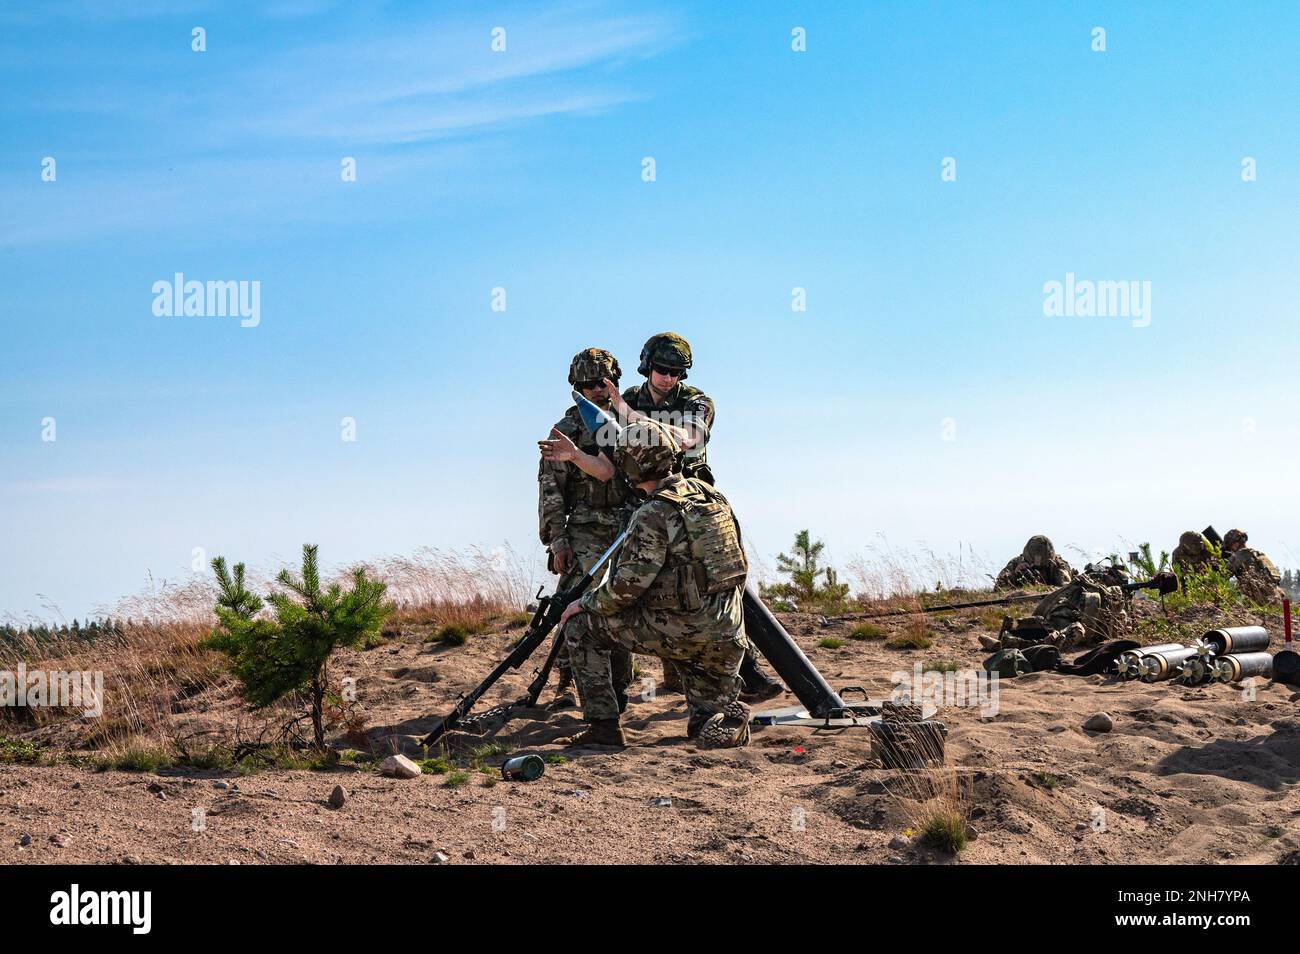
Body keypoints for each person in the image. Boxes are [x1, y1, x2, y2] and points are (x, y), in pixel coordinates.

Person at [597, 332, 784, 702]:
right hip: (641, 503)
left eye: (676, 372)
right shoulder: (627, 398)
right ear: (647, 366)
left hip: (692, 507)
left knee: (719, 583)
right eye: (662, 370)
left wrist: (628, 415)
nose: (669, 378)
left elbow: (689, 439)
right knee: (631, 585)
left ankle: (746, 671)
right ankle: (619, 688)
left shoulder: (696, 400)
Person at [557, 419, 752, 749]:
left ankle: (604, 728)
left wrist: (582, 603)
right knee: (706, 726)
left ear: (632, 468)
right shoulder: (713, 496)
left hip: (681, 631)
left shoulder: (653, 513)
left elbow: (622, 590)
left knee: (579, 626)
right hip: (726, 636)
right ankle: (722, 722)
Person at [537, 348, 633, 709]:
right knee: (573, 603)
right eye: (588, 384)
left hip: (629, 524)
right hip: (586, 528)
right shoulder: (566, 431)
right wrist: (557, 540)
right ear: (576, 387)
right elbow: (551, 490)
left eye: (604, 382)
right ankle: (566, 682)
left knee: (624, 601)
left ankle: (619, 684)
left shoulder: (629, 425)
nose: (597, 390)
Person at [1223, 529, 1285, 605]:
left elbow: (1223, 575)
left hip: (1262, 600)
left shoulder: (1241, 554)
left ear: (1236, 543)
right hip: (1277, 598)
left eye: (1230, 546)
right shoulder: (1259, 555)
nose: (1230, 550)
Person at [993, 535, 1074, 589]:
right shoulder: (1016, 563)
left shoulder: (1059, 565)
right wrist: (1015, 574)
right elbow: (998, 588)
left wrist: (1041, 587)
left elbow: (1066, 589)